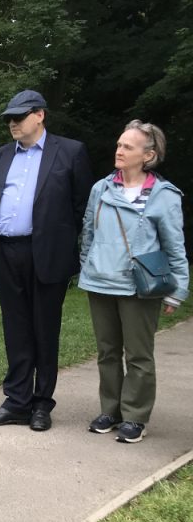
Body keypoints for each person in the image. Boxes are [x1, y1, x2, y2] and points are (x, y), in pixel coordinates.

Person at [0, 89, 94, 431]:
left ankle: (42, 404)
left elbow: (82, 207)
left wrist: (61, 241)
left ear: (40, 115)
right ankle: (17, 402)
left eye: (19, 116)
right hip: (5, 252)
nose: (12, 123)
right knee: (15, 330)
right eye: (9, 118)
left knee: (45, 329)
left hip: (47, 253)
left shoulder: (70, 152)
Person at [77, 120, 188, 443]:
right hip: (100, 281)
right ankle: (110, 411)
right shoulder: (101, 189)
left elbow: (174, 246)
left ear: (148, 155)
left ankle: (135, 416)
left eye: (128, 146)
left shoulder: (164, 196)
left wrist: (177, 290)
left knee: (138, 355)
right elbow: (88, 233)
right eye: (119, 144)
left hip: (139, 287)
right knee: (107, 352)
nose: (119, 150)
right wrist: (88, 265)